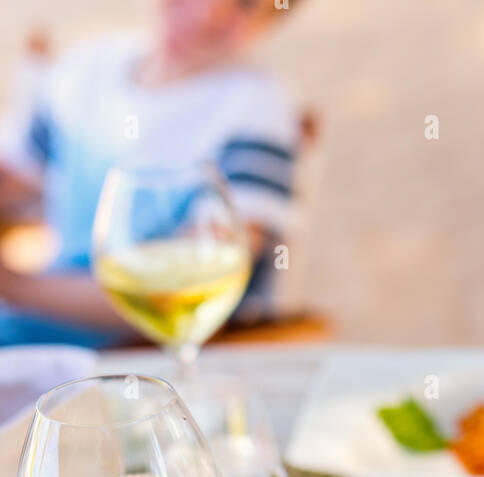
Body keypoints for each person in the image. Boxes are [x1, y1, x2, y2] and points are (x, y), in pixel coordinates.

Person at [0, 0, 306, 346]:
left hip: (146, 352)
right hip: (37, 322)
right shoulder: (88, 66)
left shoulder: (258, 109)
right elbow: (21, 178)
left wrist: (14, 286)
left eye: (246, 6)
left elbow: (180, 289)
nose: (209, 12)